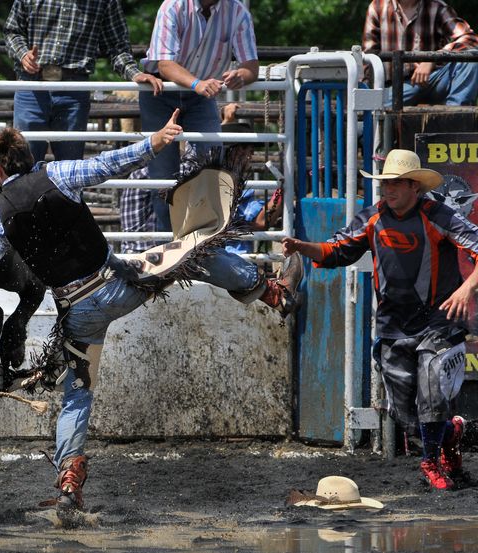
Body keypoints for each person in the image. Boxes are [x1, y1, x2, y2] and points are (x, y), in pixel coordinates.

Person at [0, 111, 303, 513]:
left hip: (78, 312)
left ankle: (70, 482)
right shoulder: (61, 176)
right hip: (120, 284)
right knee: (195, 250)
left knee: (76, 396)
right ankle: (269, 291)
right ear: (30, 157)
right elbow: (112, 162)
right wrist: (155, 141)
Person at [282, 149, 478, 490]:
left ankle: (430, 464)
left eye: (397, 183)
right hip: (393, 325)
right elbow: (336, 251)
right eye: (386, 182)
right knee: (406, 415)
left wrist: (467, 290)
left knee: (431, 393)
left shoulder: (438, 215)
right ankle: (452, 432)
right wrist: (302, 246)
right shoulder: (371, 218)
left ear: (414, 187)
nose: (389, 189)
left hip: (438, 322)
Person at [138, 0, 258, 232]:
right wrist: (197, 83)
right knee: (162, 175)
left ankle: (202, 243)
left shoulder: (237, 11)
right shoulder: (173, 7)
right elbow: (164, 64)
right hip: (162, 92)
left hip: (202, 94)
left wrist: (240, 75)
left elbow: (251, 66)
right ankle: (170, 244)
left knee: (212, 166)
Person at [3, 0, 163, 163]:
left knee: (70, 164)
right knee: (23, 160)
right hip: (34, 86)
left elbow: (117, 46)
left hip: (72, 89)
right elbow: (12, 32)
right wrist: (23, 54)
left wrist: (134, 73)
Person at [119, 120, 280, 255]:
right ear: (233, 151)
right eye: (246, 151)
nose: (249, 158)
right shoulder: (206, 180)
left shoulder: (145, 176)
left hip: (143, 255)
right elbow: (259, 221)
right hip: (156, 257)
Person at [362, 0, 478, 106]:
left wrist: (433, 58)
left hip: (432, 81)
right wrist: (365, 95)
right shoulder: (377, 7)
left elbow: (470, 38)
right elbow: (368, 59)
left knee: (471, 57)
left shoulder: (437, 7)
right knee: (370, 107)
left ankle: (455, 118)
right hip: (393, 87)